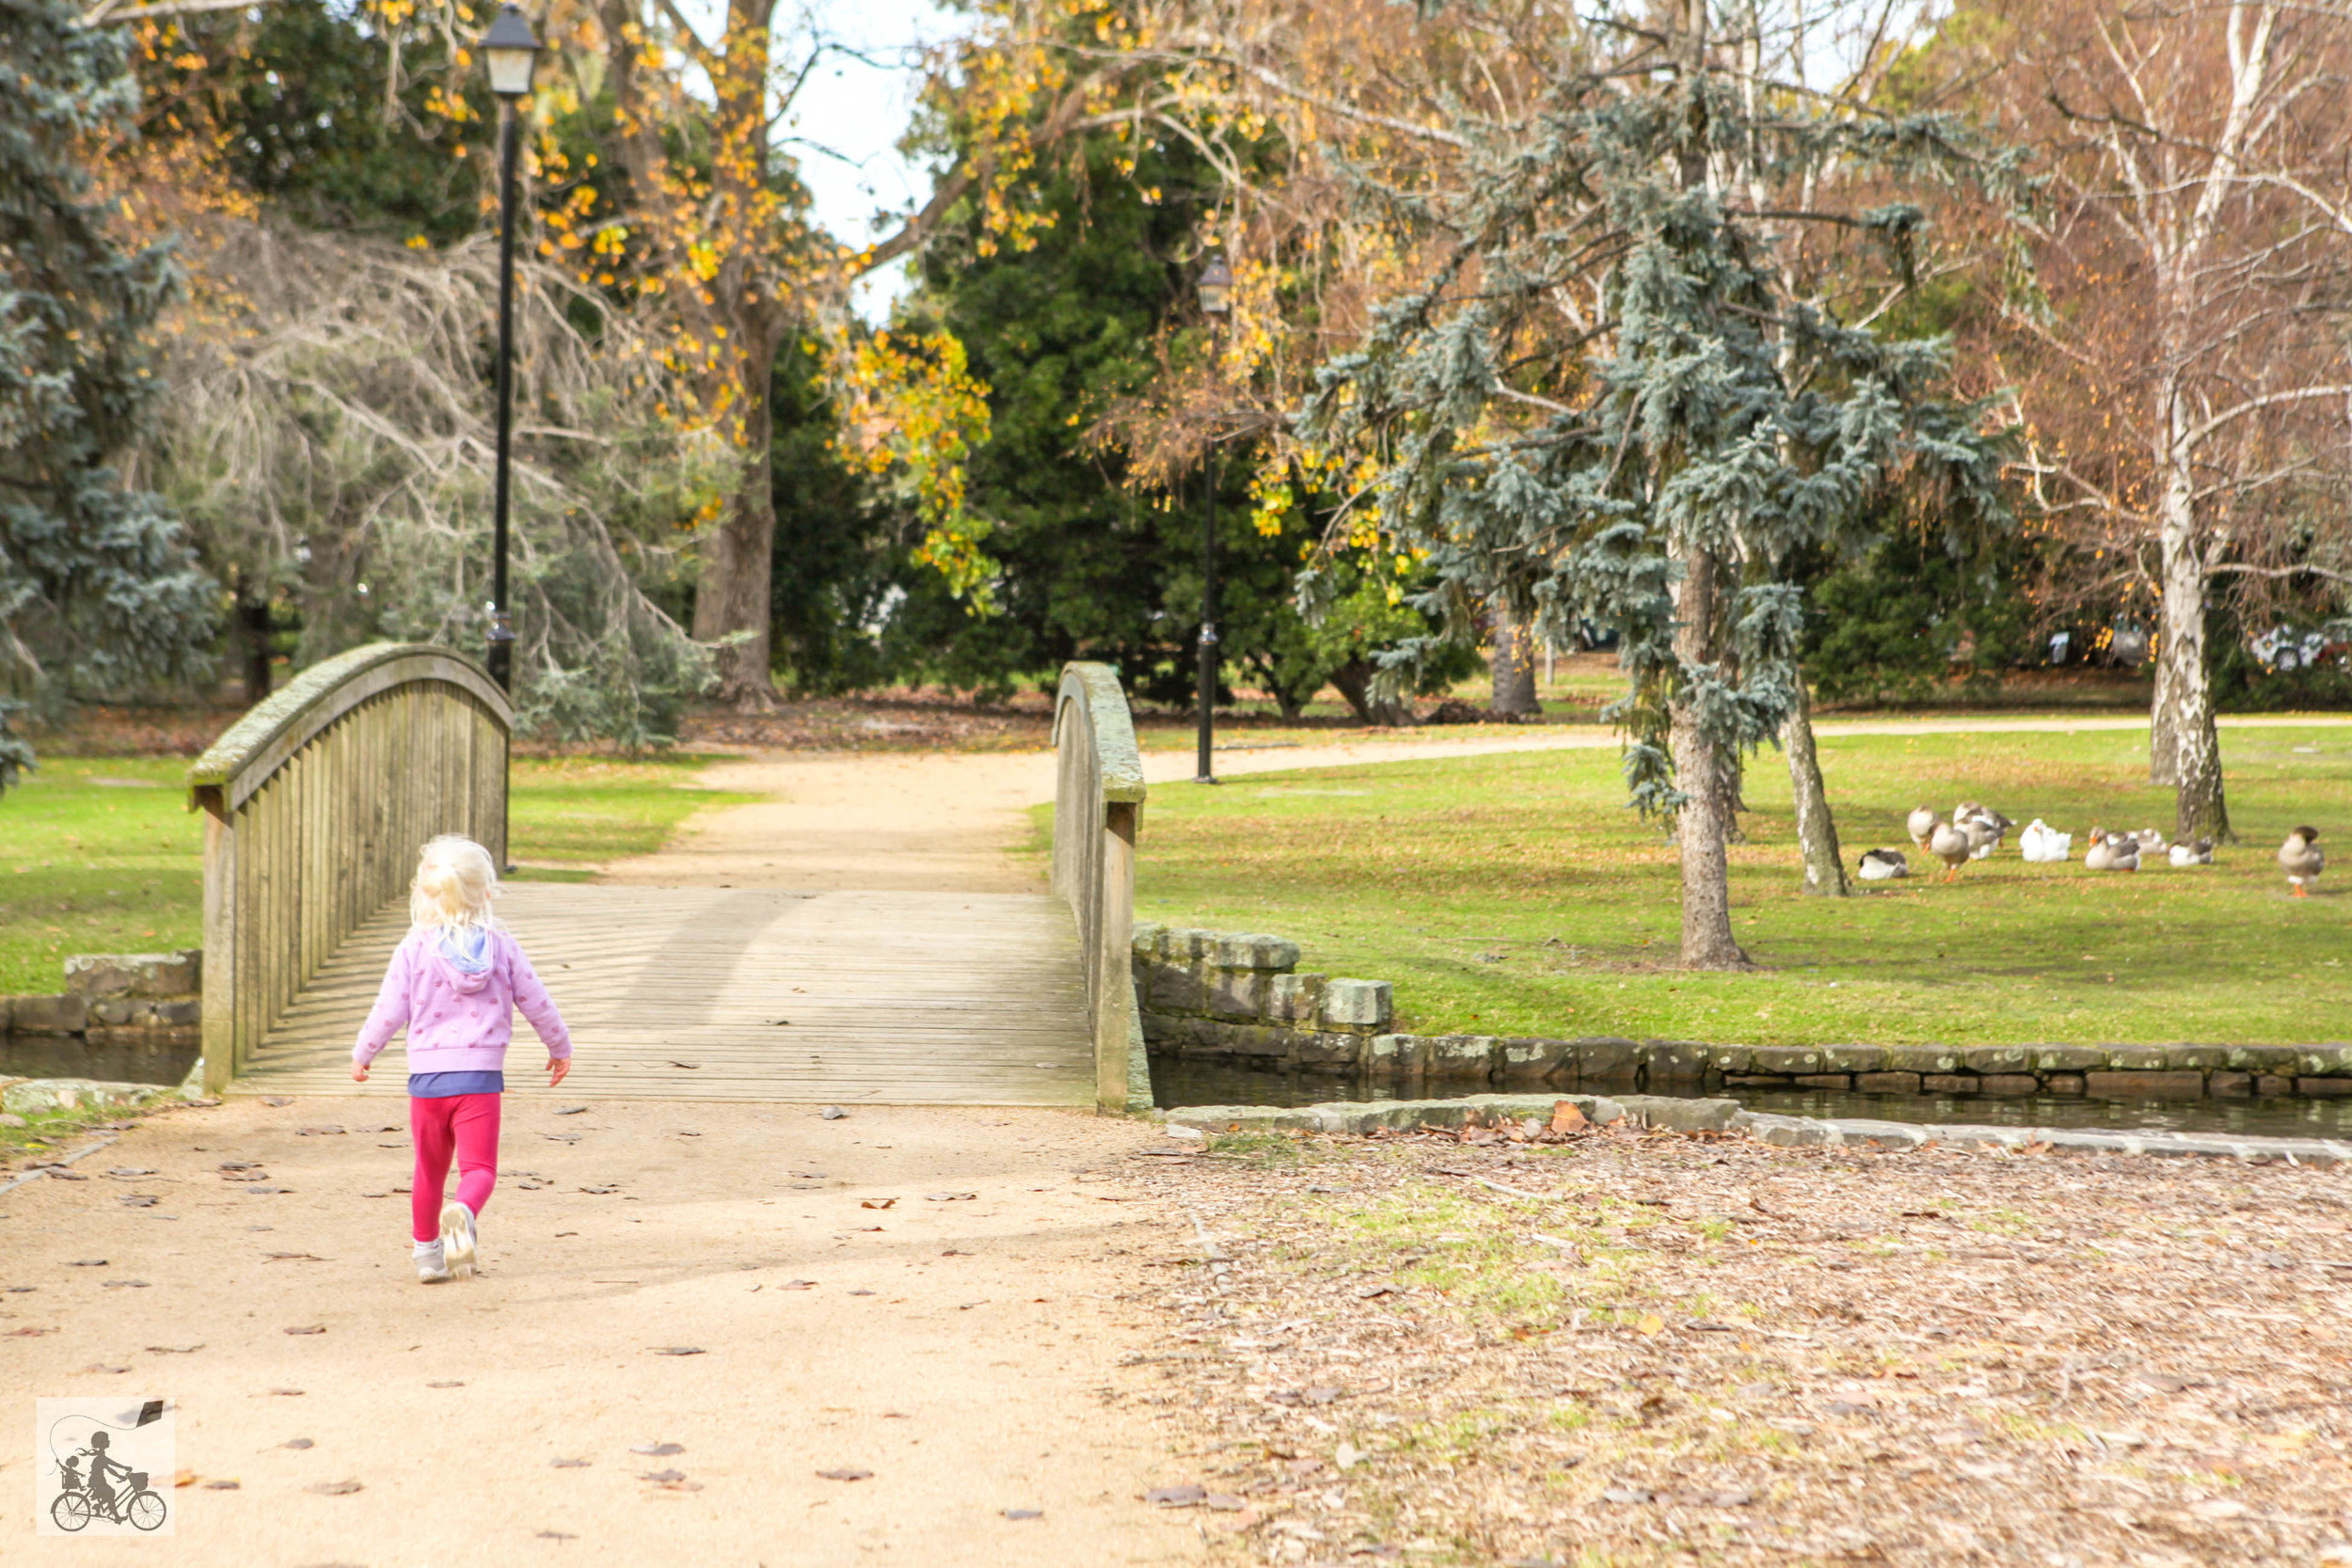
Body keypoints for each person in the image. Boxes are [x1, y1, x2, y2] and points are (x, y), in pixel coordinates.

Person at [352, 835, 572, 1283]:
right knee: (479, 1170)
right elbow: (537, 1000)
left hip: (428, 1082)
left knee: (428, 1171)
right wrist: (559, 1047)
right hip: (480, 1080)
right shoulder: (501, 946)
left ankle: (427, 1256)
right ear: (485, 891)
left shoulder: (413, 948)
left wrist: (364, 1052)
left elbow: (388, 1010)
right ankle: (464, 1210)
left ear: (423, 893)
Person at [82, 1432, 132, 1518]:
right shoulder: (100, 1456)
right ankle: (116, 1517)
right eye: (107, 1440)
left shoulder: (101, 1454)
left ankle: (100, 1507)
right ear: (101, 1442)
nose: (109, 1441)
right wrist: (120, 1475)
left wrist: (124, 1467)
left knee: (110, 1493)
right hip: (97, 1480)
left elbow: (111, 1462)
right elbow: (109, 1468)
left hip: (99, 1480)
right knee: (110, 1493)